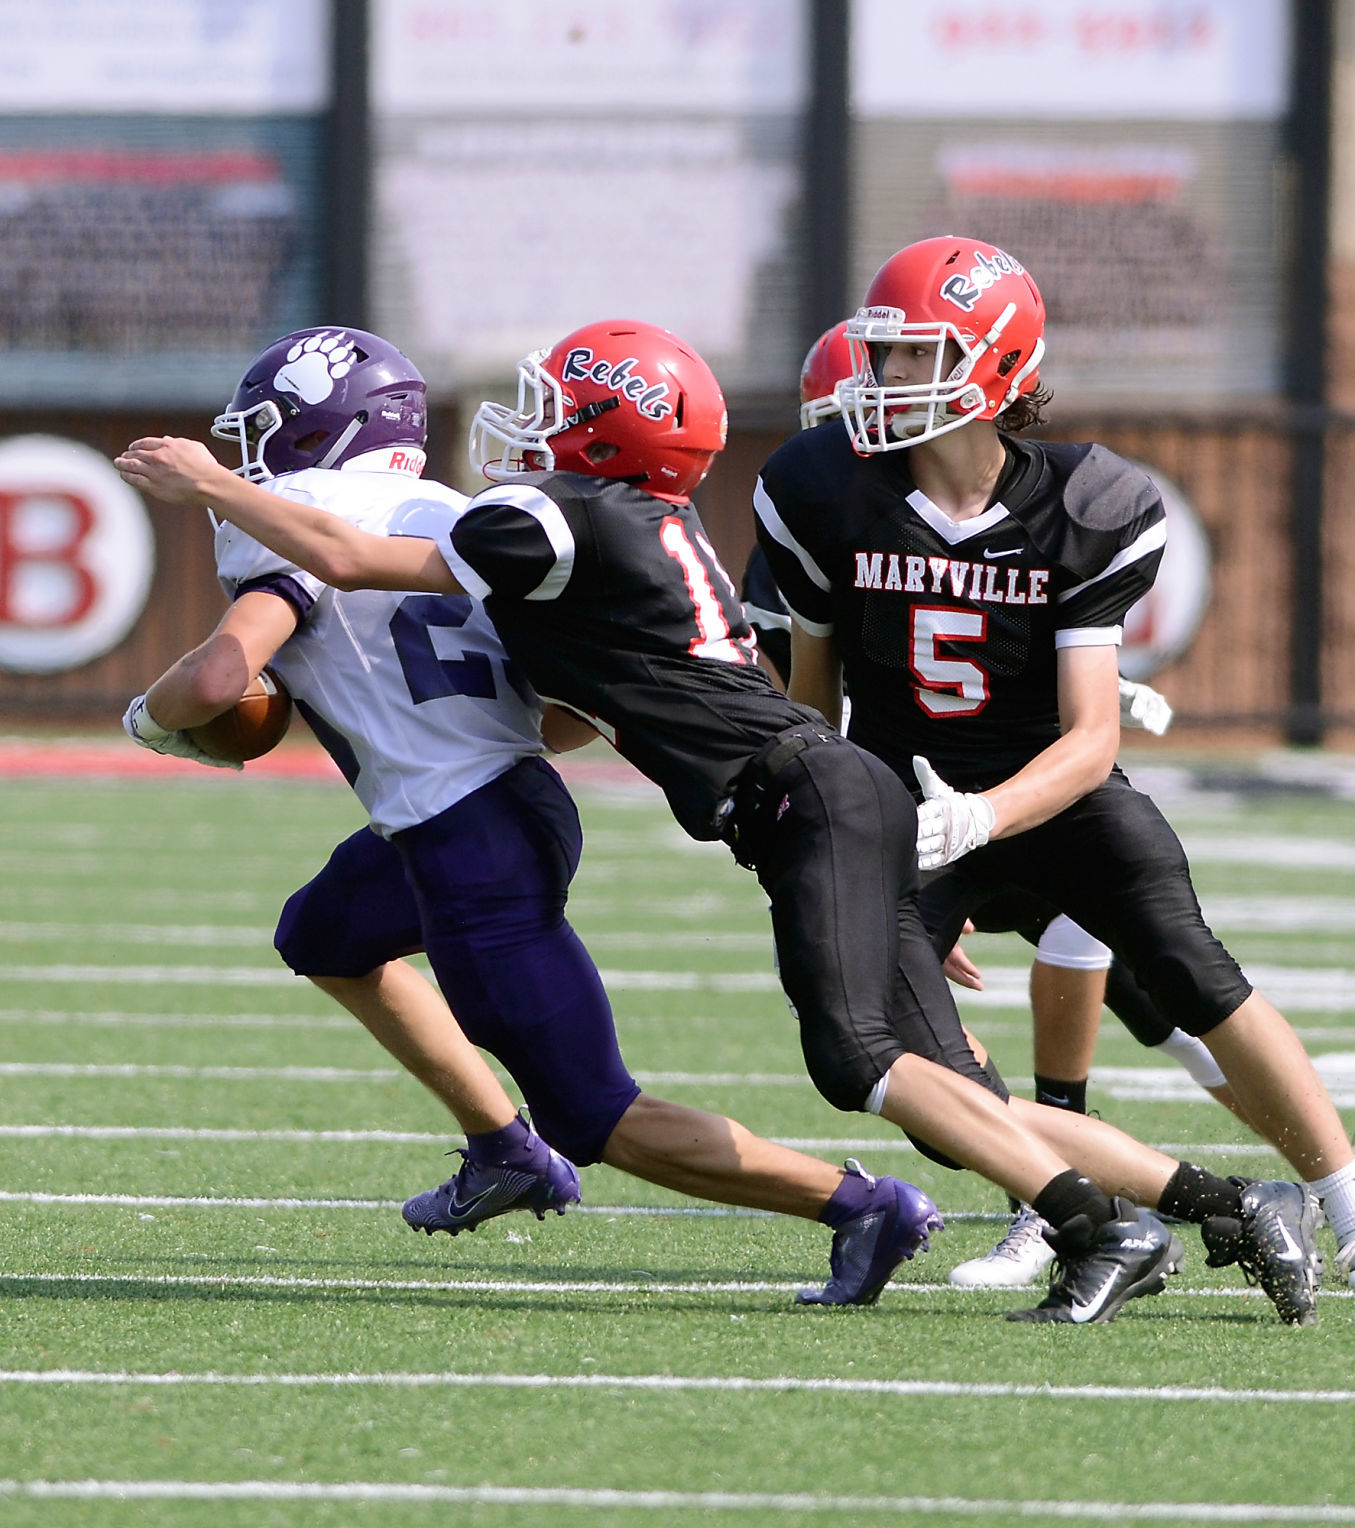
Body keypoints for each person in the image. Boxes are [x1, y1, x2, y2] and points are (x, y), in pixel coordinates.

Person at [117, 317, 1321, 1326]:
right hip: (813, 790)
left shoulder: (549, 521)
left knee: (860, 1063)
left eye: (557, 404)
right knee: (934, 1077)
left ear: (606, 430)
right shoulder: (627, 527)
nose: (527, 427)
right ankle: (1219, 1204)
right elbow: (572, 706)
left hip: (801, 794)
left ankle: (1087, 1225)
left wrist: (215, 487)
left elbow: (337, 554)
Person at [121, 325, 942, 1300]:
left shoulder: (283, 510)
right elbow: (557, 720)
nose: (252, 449)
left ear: (313, 431)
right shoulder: (448, 510)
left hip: (465, 843)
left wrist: (153, 715)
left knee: (596, 1114)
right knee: (325, 930)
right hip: (516, 804)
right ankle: (500, 1146)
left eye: (266, 427)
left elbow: (222, 674)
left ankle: (857, 1205)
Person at [751, 235, 1350, 1309]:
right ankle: (1119, 1208)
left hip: (1044, 794)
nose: (880, 380)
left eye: (911, 356)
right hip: (899, 802)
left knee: (1186, 969)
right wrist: (844, 840)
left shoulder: (1085, 502)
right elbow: (811, 698)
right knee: (919, 1076)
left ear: (993, 366)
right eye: (882, 354)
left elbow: (1088, 740)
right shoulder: (818, 490)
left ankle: (1345, 1199)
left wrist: (976, 821)